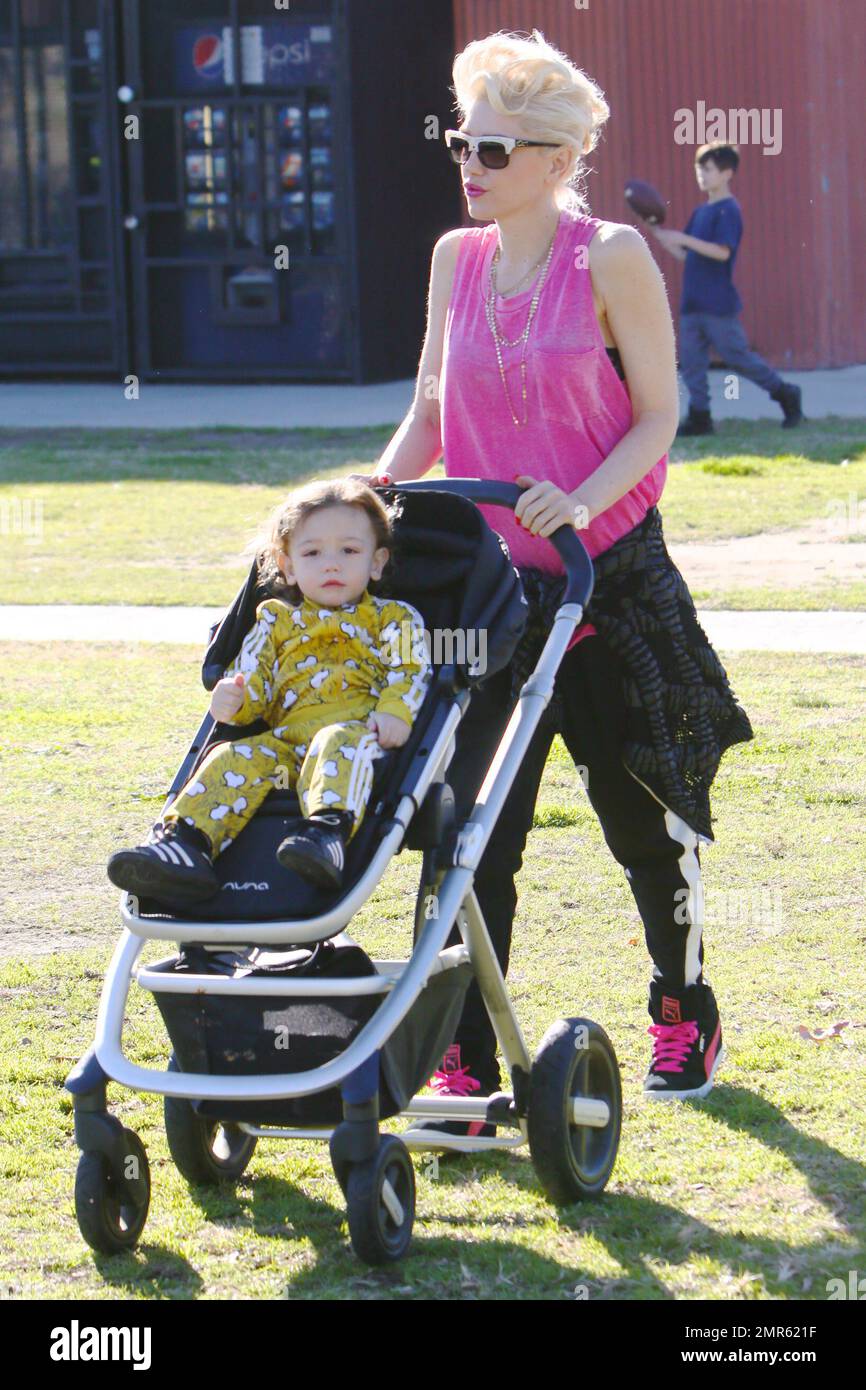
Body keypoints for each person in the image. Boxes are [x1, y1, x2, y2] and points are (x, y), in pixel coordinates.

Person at [355, 28, 753, 1139]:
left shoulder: (612, 255)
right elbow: (430, 413)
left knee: (641, 818)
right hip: (489, 597)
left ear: (551, 155)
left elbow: (658, 415)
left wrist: (578, 499)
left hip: (606, 579)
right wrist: (366, 500)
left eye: (489, 146)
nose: (466, 164)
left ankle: (682, 1008)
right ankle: (462, 1056)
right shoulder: (455, 256)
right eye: (460, 140)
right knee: (471, 831)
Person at [107, 479, 431, 902]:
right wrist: (235, 700)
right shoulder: (274, 621)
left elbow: (410, 668)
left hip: (359, 738)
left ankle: (326, 833)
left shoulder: (393, 618)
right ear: (289, 565)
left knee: (337, 742)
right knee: (232, 754)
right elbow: (251, 678)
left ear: (377, 561)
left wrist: (396, 712)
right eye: (313, 553)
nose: (331, 564)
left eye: (349, 551)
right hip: (285, 747)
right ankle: (187, 843)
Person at [651, 141, 803, 435]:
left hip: (717, 304)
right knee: (692, 364)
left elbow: (722, 252)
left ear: (727, 173)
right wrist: (664, 237)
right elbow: (689, 255)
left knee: (737, 357)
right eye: (699, 168)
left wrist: (684, 239)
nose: (701, 174)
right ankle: (700, 417)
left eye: (707, 169)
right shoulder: (700, 212)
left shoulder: (729, 210)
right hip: (692, 303)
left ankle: (785, 393)